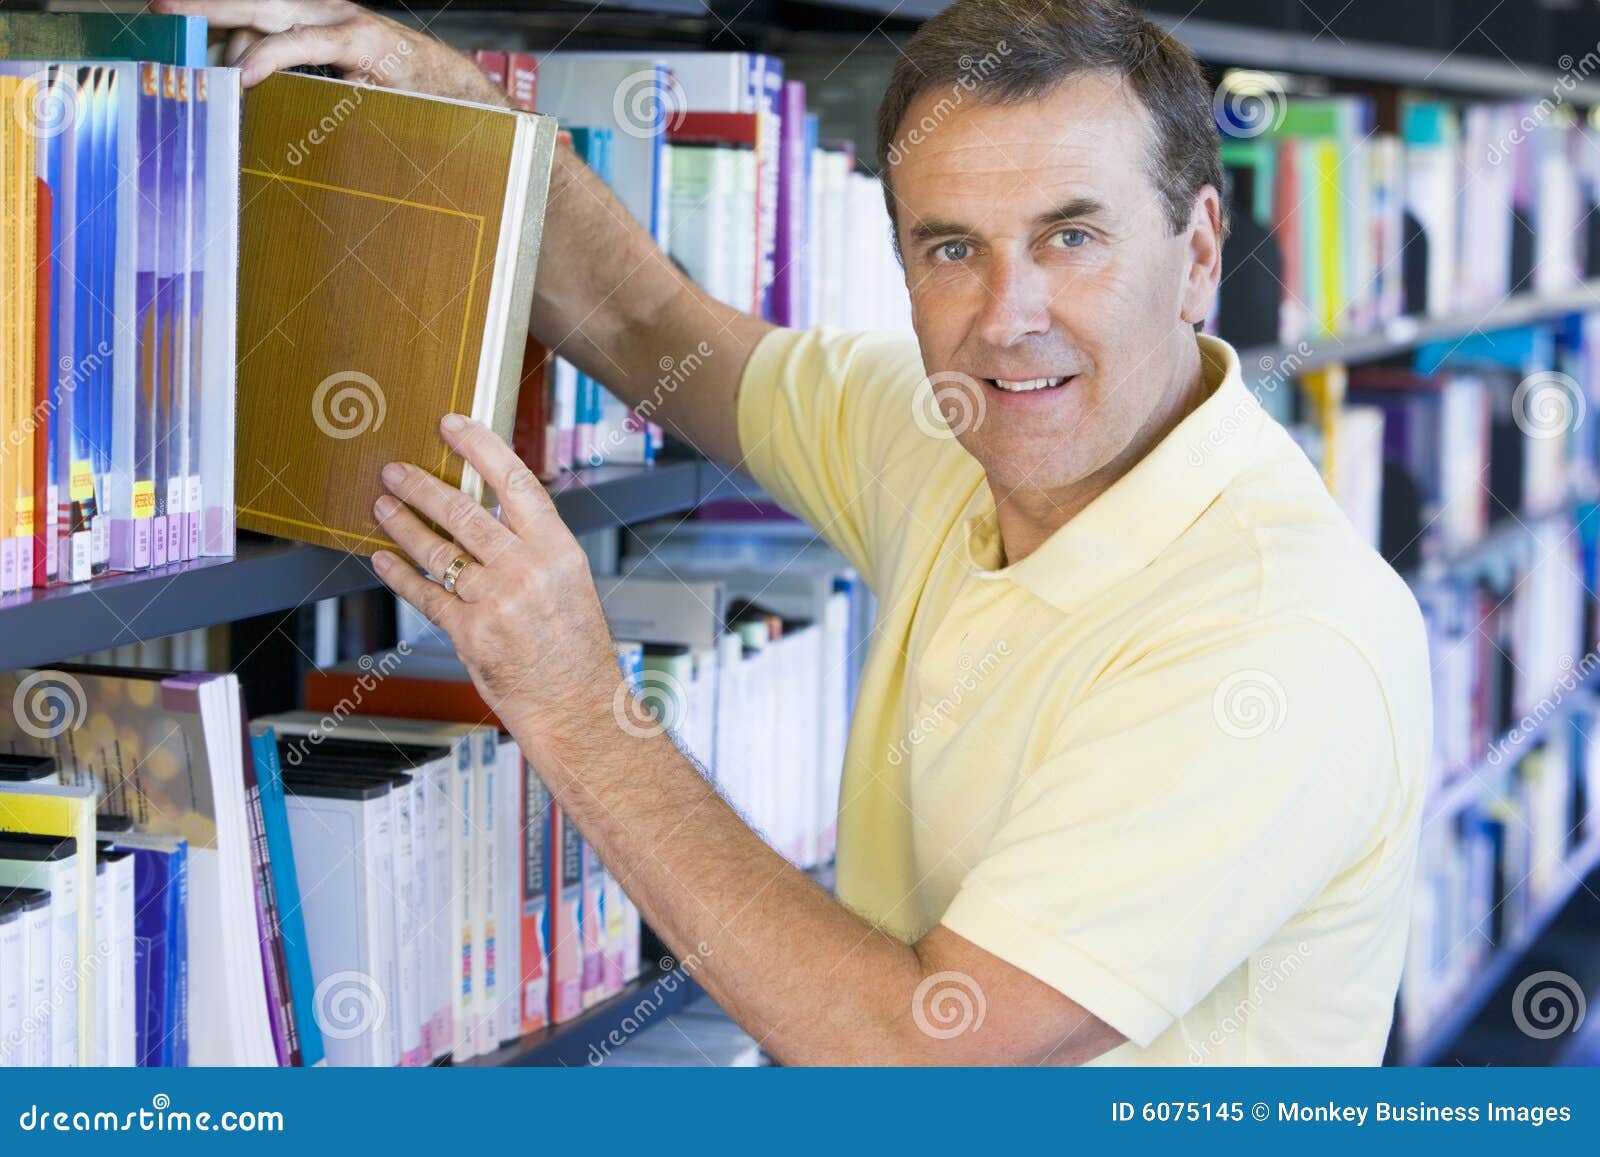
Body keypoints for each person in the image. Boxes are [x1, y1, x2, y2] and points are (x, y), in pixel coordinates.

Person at [156, 0, 1432, 1064]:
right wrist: (472, 130)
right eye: (950, 248)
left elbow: (913, 1053)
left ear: (1198, 249)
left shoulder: (1276, 634)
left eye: (1074, 237)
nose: (1008, 317)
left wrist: (576, 702)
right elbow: (649, 325)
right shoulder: (942, 426)